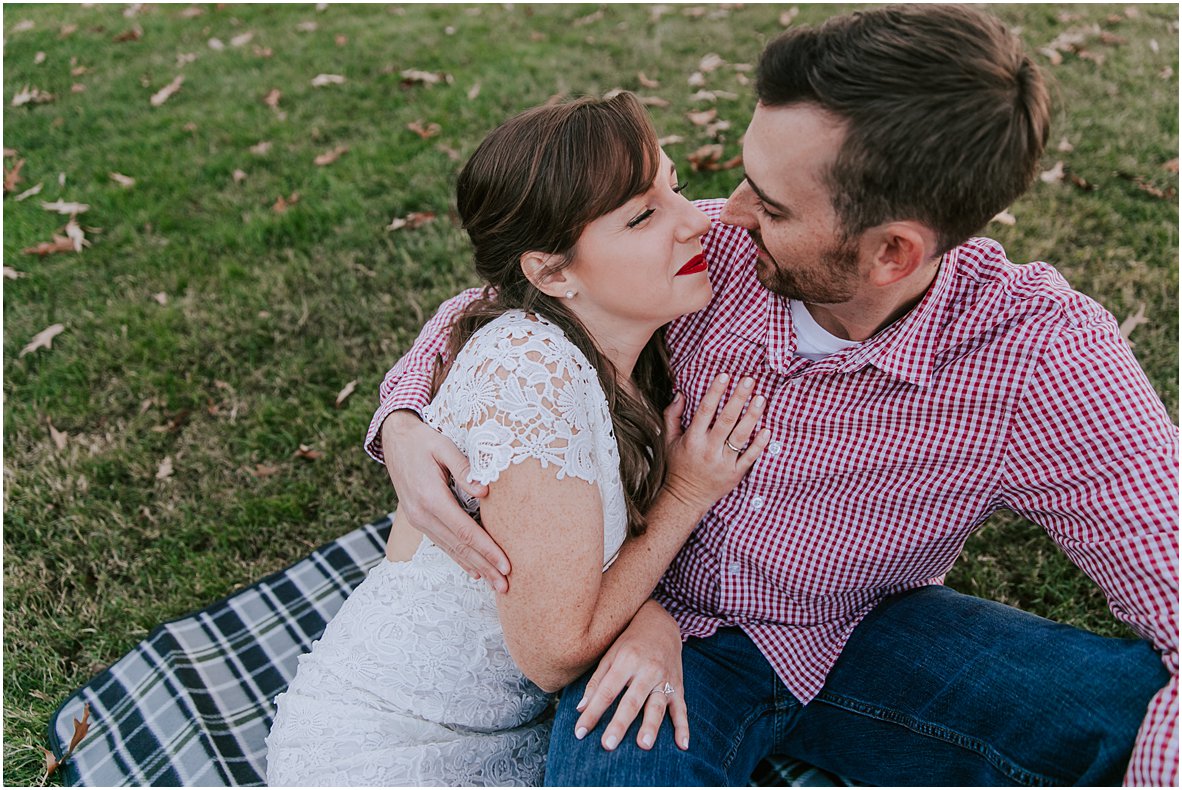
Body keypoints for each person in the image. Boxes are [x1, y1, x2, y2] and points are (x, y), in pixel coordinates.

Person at [367, 5, 1177, 787]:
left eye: (773, 204)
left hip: (856, 627)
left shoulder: (1042, 362)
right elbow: (523, 304)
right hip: (643, 625)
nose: (727, 213)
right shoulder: (709, 254)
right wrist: (404, 416)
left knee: (1130, 715)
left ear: (892, 252)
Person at [265, 93, 771, 785]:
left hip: (502, 733)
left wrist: (657, 616)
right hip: (388, 750)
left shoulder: (619, 340)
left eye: (675, 185)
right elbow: (554, 652)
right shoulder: (529, 371)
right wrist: (686, 492)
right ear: (552, 273)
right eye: (645, 215)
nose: (694, 222)